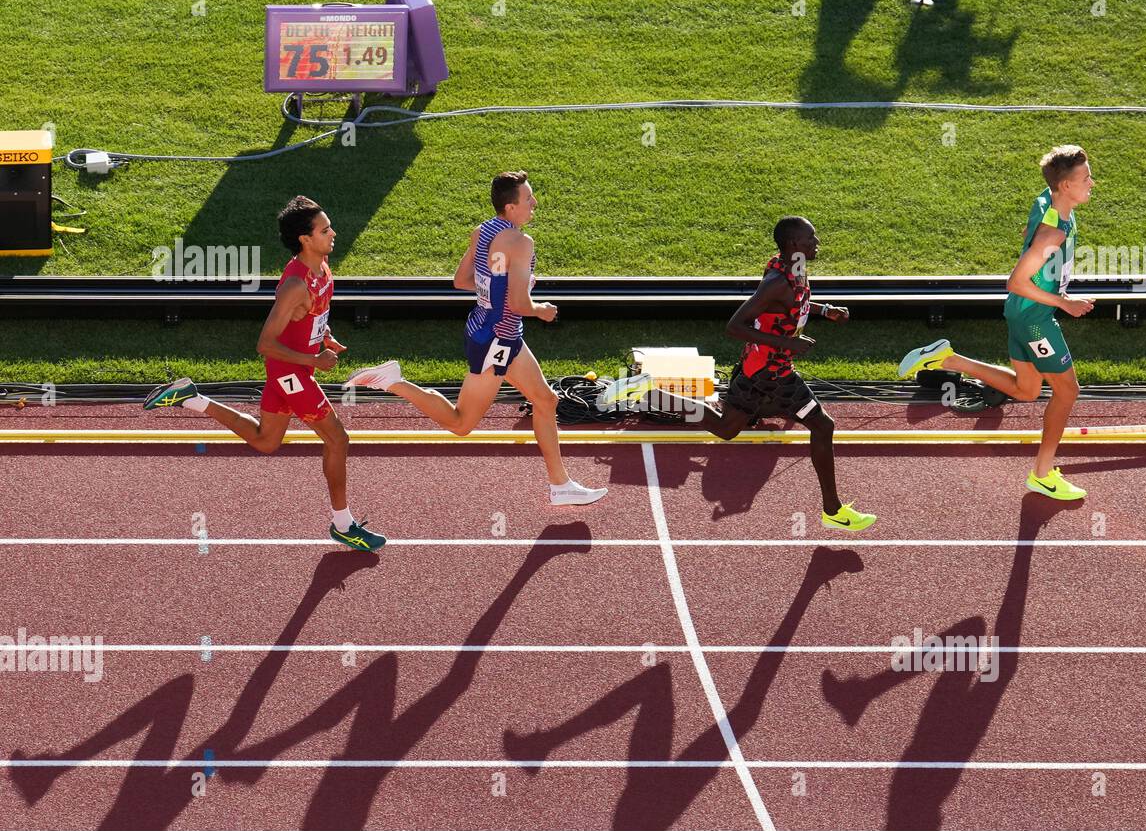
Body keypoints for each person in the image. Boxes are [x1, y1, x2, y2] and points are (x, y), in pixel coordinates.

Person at [343, 171, 607, 506]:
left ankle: (560, 484)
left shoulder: (482, 231)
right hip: (498, 341)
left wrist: (498, 291)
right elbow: (519, 304)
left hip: (495, 331)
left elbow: (461, 280)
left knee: (546, 400)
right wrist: (543, 309)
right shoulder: (521, 244)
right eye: (528, 198)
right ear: (510, 207)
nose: (534, 203)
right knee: (461, 423)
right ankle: (394, 382)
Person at [602, 216, 876, 531]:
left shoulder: (794, 268)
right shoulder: (776, 281)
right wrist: (787, 343)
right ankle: (833, 511)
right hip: (769, 373)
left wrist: (825, 310)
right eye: (811, 239)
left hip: (766, 369)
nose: (818, 244)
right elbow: (734, 327)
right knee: (822, 425)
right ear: (793, 244)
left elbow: (797, 303)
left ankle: (648, 392)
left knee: (726, 428)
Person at [143, 196, 386, 551]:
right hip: (292, 373)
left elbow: (311, 317)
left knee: (265, 441)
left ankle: (191, 398)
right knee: (338, 440)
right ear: (305, 239)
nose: (333, 233)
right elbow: (265, 344)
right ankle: (343, 524)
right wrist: (314, 361)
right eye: (325, 229)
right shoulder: (295, 285)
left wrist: (325, 336)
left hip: (295, 368)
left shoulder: (323, 267)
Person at [899, 145, 1096, 500]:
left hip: (1020, 312)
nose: (1092, 183)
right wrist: (1064, 303)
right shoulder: (1054, 234)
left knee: (1028, 390)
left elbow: (1028, 227)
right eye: (1085, 178)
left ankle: (947, 359)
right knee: (1067, 391)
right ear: (1065, 186)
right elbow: (1016, 282)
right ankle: (1042, 474)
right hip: (1035, 318)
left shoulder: (1049, 201)